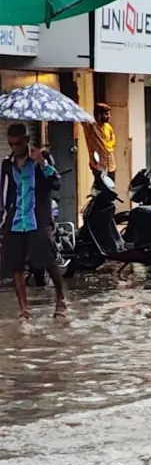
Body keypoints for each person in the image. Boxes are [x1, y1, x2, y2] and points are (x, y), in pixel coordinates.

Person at [2, 124, 67, 320]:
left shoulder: (42, 159)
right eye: (11, 144)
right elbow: (4, 192)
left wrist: (42, 164)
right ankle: (24, 309)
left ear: (27, 140)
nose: (15, 148)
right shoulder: (7, 164)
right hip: (15, 221)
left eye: (19, 143)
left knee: (48, 260)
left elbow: (56, 183)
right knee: (16, 266)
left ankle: (61, 299)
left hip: (37, 220)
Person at [85, 102, 117, 179]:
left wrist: (107, 148)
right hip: (98, 165)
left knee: (111, 187)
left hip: (110, 164)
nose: (109, 116)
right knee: (100, 188)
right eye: (106, 114)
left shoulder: (108, 127)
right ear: (99, 115)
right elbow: (83, 121)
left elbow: (112, 142)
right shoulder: (91, 127)